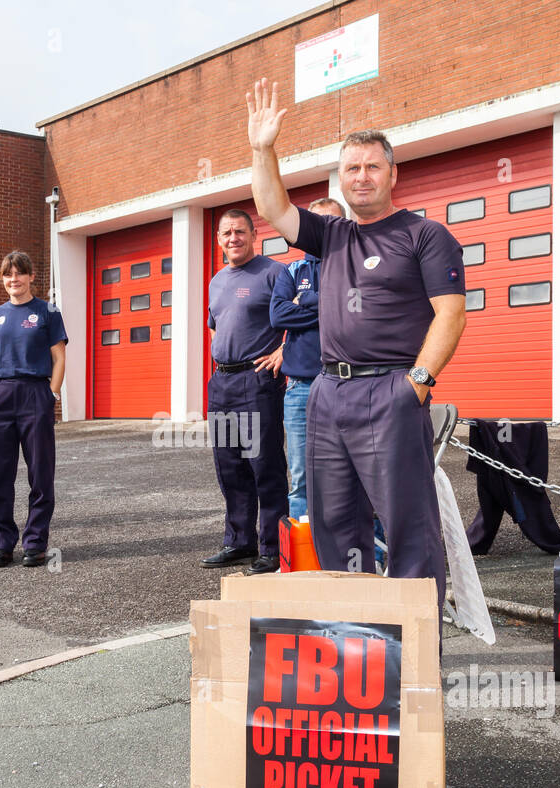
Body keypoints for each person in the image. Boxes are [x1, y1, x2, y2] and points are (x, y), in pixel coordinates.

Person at [246, 78, 467, 607]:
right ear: (340, 179)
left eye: (371, 166)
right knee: (335, 524)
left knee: (408, 528)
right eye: (351, 168)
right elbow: (274, 210)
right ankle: (357, 642)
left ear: (393, 173)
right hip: (327, 394)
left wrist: (415, 384)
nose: (361, 176)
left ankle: (416, 655)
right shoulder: (334, 234)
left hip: (389, 392)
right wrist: (263, 149)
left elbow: (451, 314)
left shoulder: (425, 235)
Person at [200, 209, 287, 575]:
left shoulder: (274, 273)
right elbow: (214, 328)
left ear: (254, 235)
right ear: (218, 240)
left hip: (256, 382)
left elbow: (301, 320)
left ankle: (271, 547)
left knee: (263, 465)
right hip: (222, 384)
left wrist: (283, 352)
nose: (232, 238)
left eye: (239, 231)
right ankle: (238, 541)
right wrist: (222, 360)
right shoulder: (217, 281)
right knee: (229, 466)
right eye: (226, 233)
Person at [0, 251, 67, 568]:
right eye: (7, 274)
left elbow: (59, 358)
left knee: (41, 473)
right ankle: (1, 543)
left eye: (19, 273)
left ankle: (35, 542)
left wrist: (51, 395)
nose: (13, 279)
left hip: (34, 394)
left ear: (31, 277)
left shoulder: (47, 311)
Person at [269, 197, 345, 522]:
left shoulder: (353, 268)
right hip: (300, 389)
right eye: (318, 223)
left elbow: (355, 313)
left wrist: (308, 300)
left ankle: (370, 559)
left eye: (332, 223)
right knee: (301, 479)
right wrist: (328, 305)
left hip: (347, 386)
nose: (324, 230)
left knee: (354, 475)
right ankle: (304, 560)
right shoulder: (293, 270)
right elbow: (278, 315)